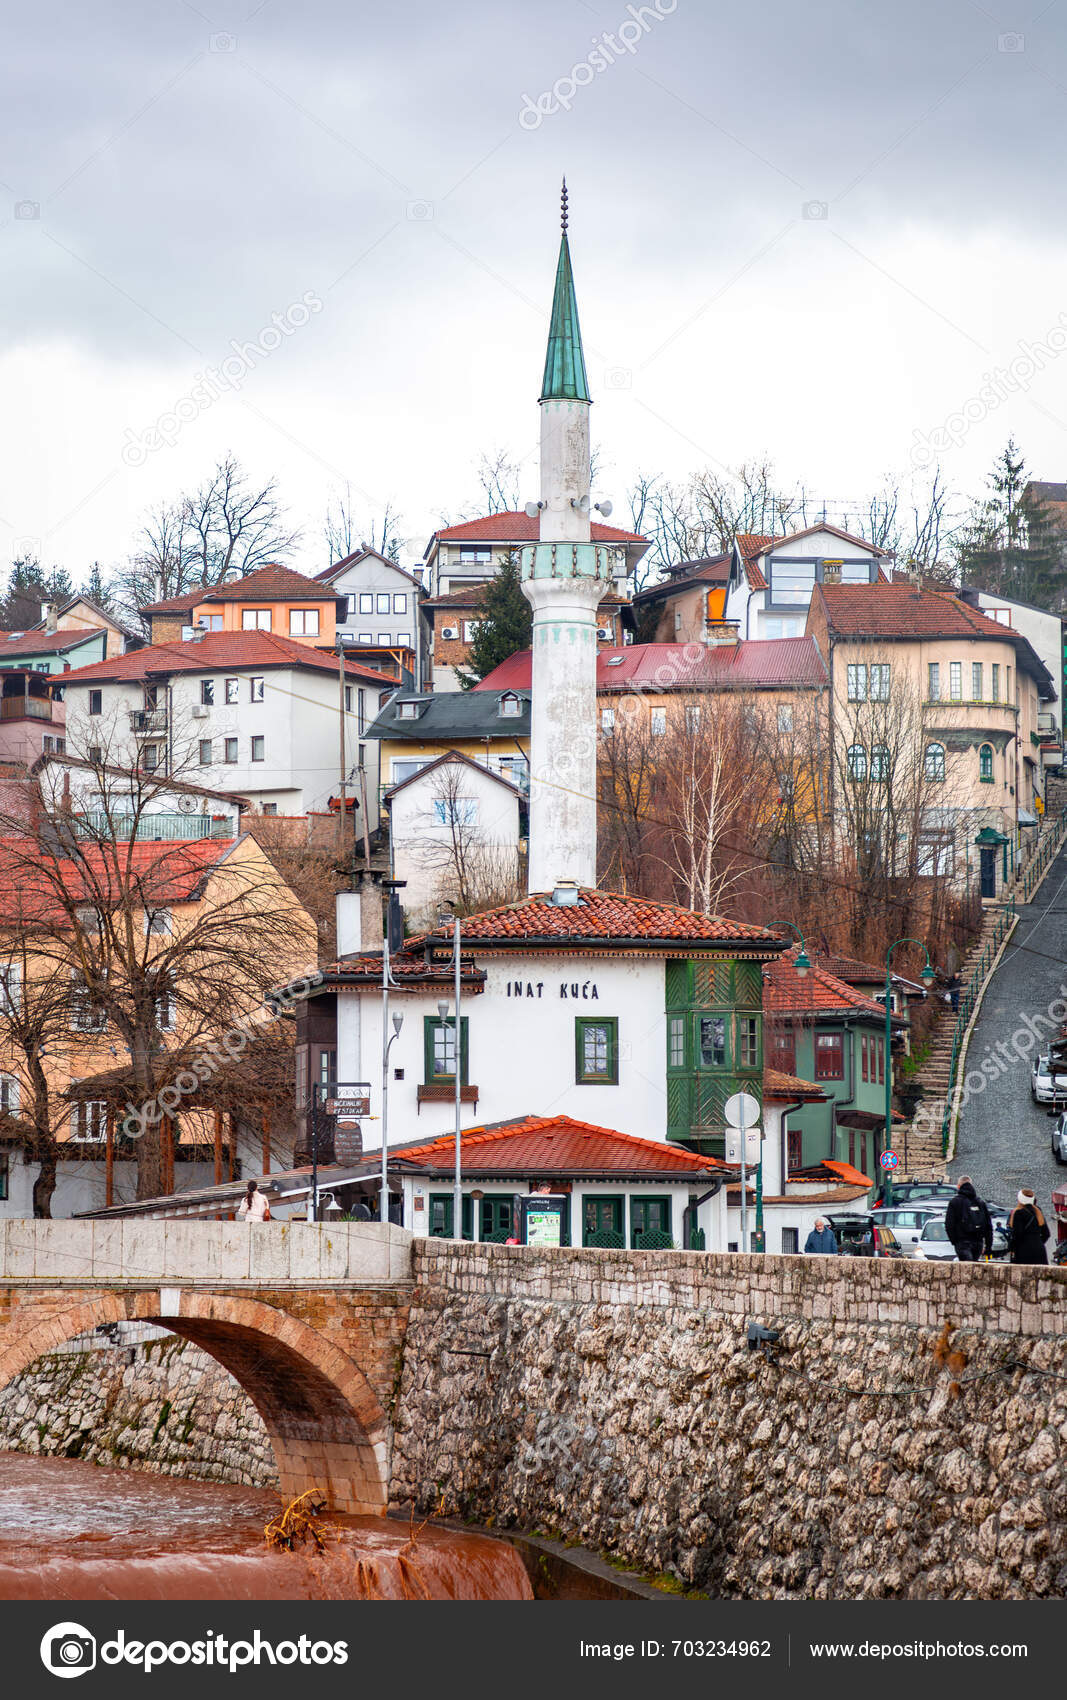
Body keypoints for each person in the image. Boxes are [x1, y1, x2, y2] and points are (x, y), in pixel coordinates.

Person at [944, 1176, 992, 1261]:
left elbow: (949, 1224)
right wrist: (988, 1245)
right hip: (978, 1242)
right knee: (974, 1267)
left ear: (958, 1186)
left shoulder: (955, 1202)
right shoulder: (980, 1202)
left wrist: (955, 1241)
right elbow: (988, 1225)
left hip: (962, 1241)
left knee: (966, 1269)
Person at [1008, 1188, 1050, 1265]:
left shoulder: (1018, 1213)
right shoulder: (1038, 1212)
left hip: (1023, 1252)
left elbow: (1017, 1235)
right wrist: (1037, 1242)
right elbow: (1046, 1234)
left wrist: (1011, 1246)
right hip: (1039, 1250)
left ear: (1020, 1199)